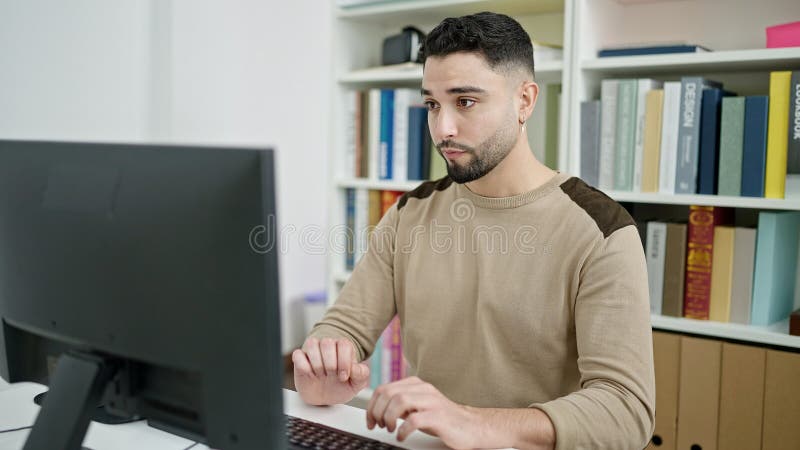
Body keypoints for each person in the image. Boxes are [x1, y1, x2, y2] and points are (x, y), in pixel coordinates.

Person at [292, 11, 654, 450]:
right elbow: (342, 330)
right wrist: (322, 369)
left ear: (525, 100)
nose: (442, 128)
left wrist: (474, 423)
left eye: (465, 101)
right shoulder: (411, 212)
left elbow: (626, 411)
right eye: (432, 104)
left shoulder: (603, 231)